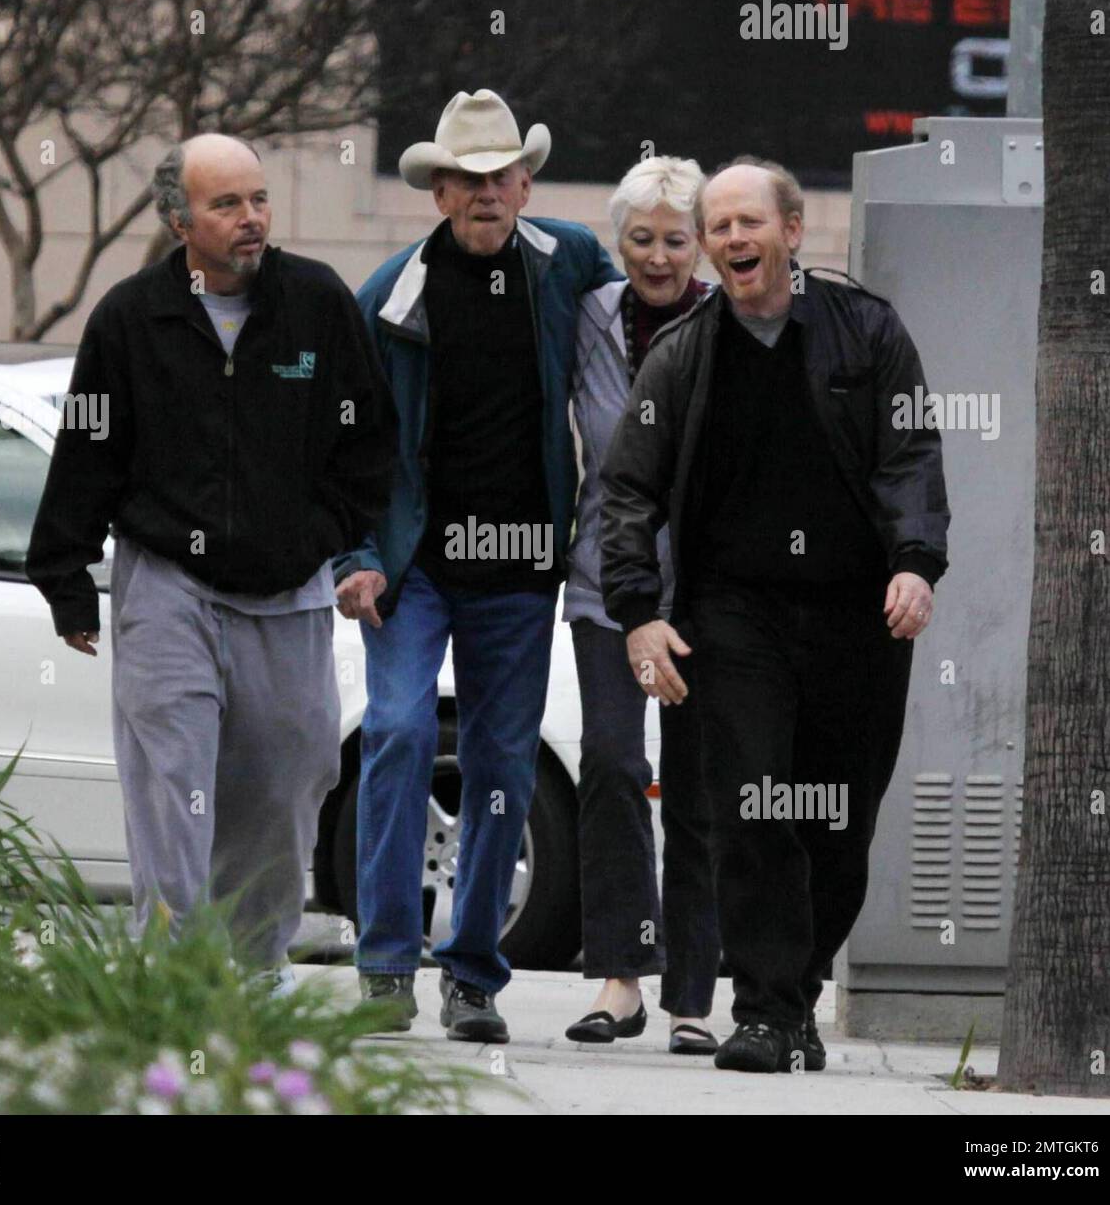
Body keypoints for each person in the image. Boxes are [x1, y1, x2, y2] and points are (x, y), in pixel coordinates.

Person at [600, 156, 949, 1073]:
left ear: (793, 232)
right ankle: (760, 1009)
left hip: (857, 615)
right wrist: (638, 612)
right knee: (751, 805)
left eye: (750, 223)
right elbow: (625, 490)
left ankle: (796, 994)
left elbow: (910, 453)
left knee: (839, 821)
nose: (733, 240)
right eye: (719, 227)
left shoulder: (868, 332)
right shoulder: (683, 355)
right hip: (735, 615)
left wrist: (916, 565)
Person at [26, 133, 396, 991]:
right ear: (177, 218)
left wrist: (339, 539)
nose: (251, 218)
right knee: (172, 784)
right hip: (167, 588)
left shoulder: (317, 303)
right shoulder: (129, 317)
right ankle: (174, 977)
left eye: (258, 199)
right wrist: (66, 578)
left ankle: (253, 966)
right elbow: (89, 450)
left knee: (290, 780)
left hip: (289, 589)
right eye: (227, 204)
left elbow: (367, 438)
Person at [333, 89, 619, 1042]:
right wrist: (360, 555)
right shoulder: (391, 295)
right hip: (414, 568)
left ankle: (473, 979)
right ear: (440, 193)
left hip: (522, 568)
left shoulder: (570, 260)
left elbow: (639, 339)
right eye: (468, 179)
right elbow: (355, 444)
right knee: (402, 734)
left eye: (502, 176)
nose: (488, 192)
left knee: (502, 763)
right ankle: (383, 965)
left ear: (525, 183)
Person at [561, 156, 721, 1054]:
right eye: (640, 240)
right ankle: (620, 978)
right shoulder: (588, 318)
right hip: (605, 585)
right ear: (617, 242)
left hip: (701, 595)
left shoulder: (725, 321)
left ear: (697, 244)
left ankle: (693, 997)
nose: (657, 258)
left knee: (693, 783)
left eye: (674, 239)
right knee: (614, 765)